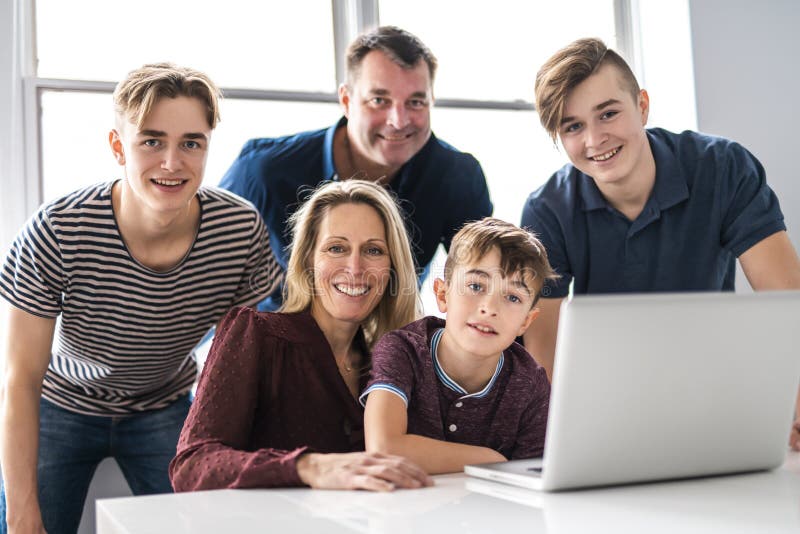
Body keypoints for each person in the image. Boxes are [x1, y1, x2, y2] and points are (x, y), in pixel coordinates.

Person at [0, 63, 282, 533]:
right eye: (152, 141)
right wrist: (25, 517)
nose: (172, 162)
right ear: (118, 147)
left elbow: (250, 356)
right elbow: (20, 378)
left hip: (164, 404)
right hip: (61, 405)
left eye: (191, 143)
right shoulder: (58, 231)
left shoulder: (238, 229)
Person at [520, 38, 800, 449]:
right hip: (607, 411)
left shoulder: (724, 168)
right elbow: (544, 352)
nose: (595, 140)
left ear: (643, 106)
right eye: (573, 126)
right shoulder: (547, 209)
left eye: (609, 113)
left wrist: (793, 396)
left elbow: (787, 301)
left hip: (720, 397)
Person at [169, 180, 432, 492]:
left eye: (373, 250)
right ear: (309, 259)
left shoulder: (390, 362)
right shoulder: (256, 333)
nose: (355, 267)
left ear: (392, 268)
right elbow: (192, 466)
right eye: (337, 248)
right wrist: (309, 466)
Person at [219, 25, 492, 310]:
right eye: (379, 100)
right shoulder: (263, 171)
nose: (398, 121)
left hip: (387, 345)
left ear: (431, 102)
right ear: (347, 101)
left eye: (415, 102)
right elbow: (205, 276)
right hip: (271, 345)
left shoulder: (457, 176)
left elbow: (485, 285)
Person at [361, 218, 556, 474]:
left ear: (526, 322)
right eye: (476, 286)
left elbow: (531, 480)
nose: (489, 307)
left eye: (512, 297)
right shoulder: (403, 350)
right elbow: (383, 448)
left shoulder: (531, 384)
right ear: (443, 295)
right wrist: (491, 460)